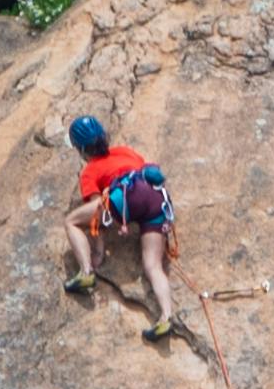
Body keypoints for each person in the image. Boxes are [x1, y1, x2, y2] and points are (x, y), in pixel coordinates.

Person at [57, 114, 191, 341]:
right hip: (156, 198)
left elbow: (97, 214)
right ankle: (166, 317)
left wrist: (98, 252)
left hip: (127, 197)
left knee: (71, 221)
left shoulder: (90, 171)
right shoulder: (125, 152)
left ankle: (85, 272)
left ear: (80, 149)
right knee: (152, 264)